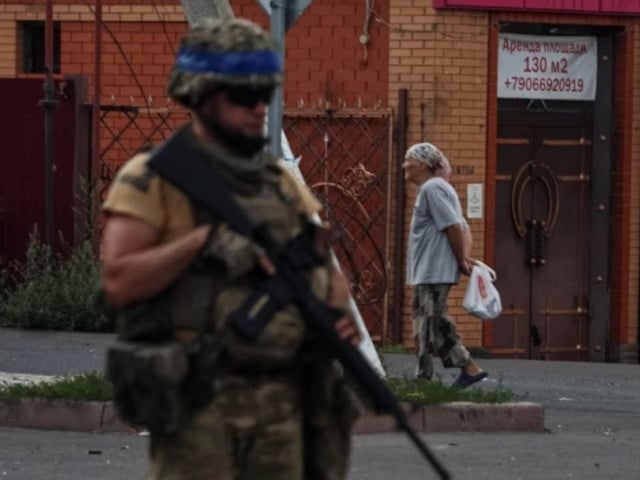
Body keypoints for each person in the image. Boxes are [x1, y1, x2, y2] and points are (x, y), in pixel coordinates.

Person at [100, 17, 360, 480]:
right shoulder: (154, 177)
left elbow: (329, 274)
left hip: (283, 407)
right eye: (244, 95)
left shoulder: (278, 183)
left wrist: (333, 316)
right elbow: (119, 282)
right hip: (202, 406)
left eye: (265, 93)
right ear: (200, 96)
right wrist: (202, 242)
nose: (260, 107)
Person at [402, 142, 488, 389]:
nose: (404, 165)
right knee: (432, 322)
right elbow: (462, 227)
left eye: (409, 159)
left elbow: (454, 226)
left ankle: (424, 380)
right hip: (431, 271)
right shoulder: (438, 188)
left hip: (433, 270)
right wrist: (464, 258)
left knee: (426, 324)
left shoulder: (433, 188)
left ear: (424, 164)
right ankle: (467, 368)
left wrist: (462, 259)